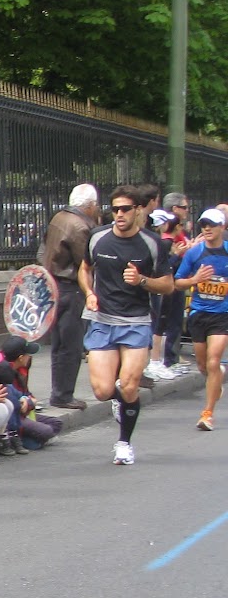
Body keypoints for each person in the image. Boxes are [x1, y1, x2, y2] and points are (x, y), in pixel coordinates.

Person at [80, 184, 174, 465]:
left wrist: (143, 281)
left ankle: (124, 443)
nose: (119, 214)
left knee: (130, 386)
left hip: (135, 321)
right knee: (103, 390)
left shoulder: (152, 243)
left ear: (137, 211)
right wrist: (89, 294)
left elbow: (168, 285)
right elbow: (85, 269)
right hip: (102, 319)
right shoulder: (97, 237)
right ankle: (118, 400)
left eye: (125, 209)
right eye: (115, 209)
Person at [39, 184, 99, 409]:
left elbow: (44, 248)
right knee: (71, 344)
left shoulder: (59, 218)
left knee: (59, 342)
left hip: (53, 283)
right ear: (90, 206)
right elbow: (86, 263)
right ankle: (63, 394)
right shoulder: (80, 226)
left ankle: (59, 391)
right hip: (70, 286)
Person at [173, 206, 228, 430]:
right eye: (203, 225)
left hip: (222, 315)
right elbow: (177, 282)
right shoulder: (195, 253)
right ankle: (217, 380)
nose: (206, 229)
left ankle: (207, 414)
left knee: (214, 361)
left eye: (211, 225)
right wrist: (195, 279)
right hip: (198, 313)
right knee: (204, 366)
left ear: (223, 227)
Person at [145, 194, 192, 380]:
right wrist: (177, 255)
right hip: (162, 288)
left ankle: (162, 360)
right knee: (159, 323)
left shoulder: (166, 243)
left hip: (167, 287)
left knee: (165, 322)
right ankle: (156, 360)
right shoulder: (164, 243)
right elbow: (162, 268)